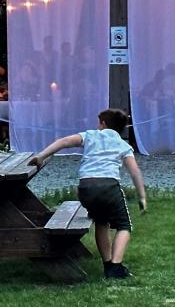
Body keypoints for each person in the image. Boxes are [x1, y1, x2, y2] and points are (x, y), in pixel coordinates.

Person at [28, 108, 148, 279]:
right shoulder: (123, 145)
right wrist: (142, 196)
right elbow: (135, 171)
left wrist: (41, 156)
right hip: (109, 187)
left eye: (99, 122)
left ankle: (107, 264)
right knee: (124, 226)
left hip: (86, 188)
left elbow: (63, 141)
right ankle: (116, 267)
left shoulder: (90, 135)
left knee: (101, 222)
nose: (97, 125)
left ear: (104, 123)